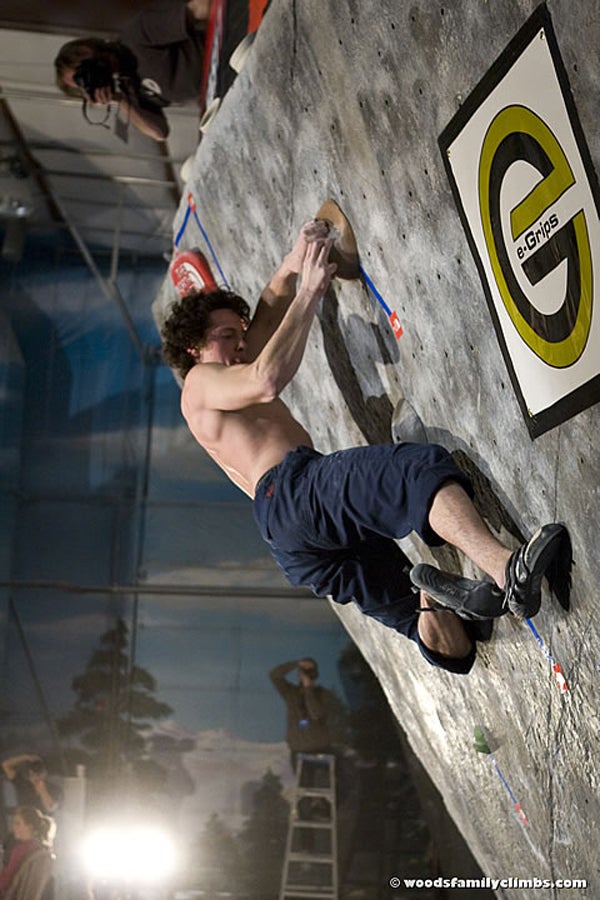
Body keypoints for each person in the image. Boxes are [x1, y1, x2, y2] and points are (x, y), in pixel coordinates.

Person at [160, 220, 571, 676]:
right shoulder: (200, 383)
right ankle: (506, 570)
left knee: (427, 627)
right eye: (225, 336)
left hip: (292, 542)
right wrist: (310, 291)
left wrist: (293, 263)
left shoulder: (228, 370)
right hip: (294, 492)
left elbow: (268, 313)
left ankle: (431, 600)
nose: (240, 344)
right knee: (415, 470)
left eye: (239, 336)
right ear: (193, 346)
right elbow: (266, 379)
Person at [54, 1, 208, 141]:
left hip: (218, 59)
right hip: (212, 91)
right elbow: (159, 133)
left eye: (83, 75)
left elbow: (198, 9)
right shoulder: (127, 86)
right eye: (83, 85)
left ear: (85, 50)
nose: (90, 82)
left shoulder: (136, 37)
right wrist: (119, 100)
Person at [269, 658, 335, 769]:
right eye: (303, 671)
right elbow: (274, 675)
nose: (306, 674)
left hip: (321, 752)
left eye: (310, 671)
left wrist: (308, 689)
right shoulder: (291, 693)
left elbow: (316, 713)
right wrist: (296, 663)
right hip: (298, 752)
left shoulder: (324, 694)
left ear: (315, 674)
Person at [0, 806, 55, 900]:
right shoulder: (42, 850)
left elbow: (5, 882)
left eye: (18, 823)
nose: (14, 827)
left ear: (30, 826)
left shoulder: (21, 850)